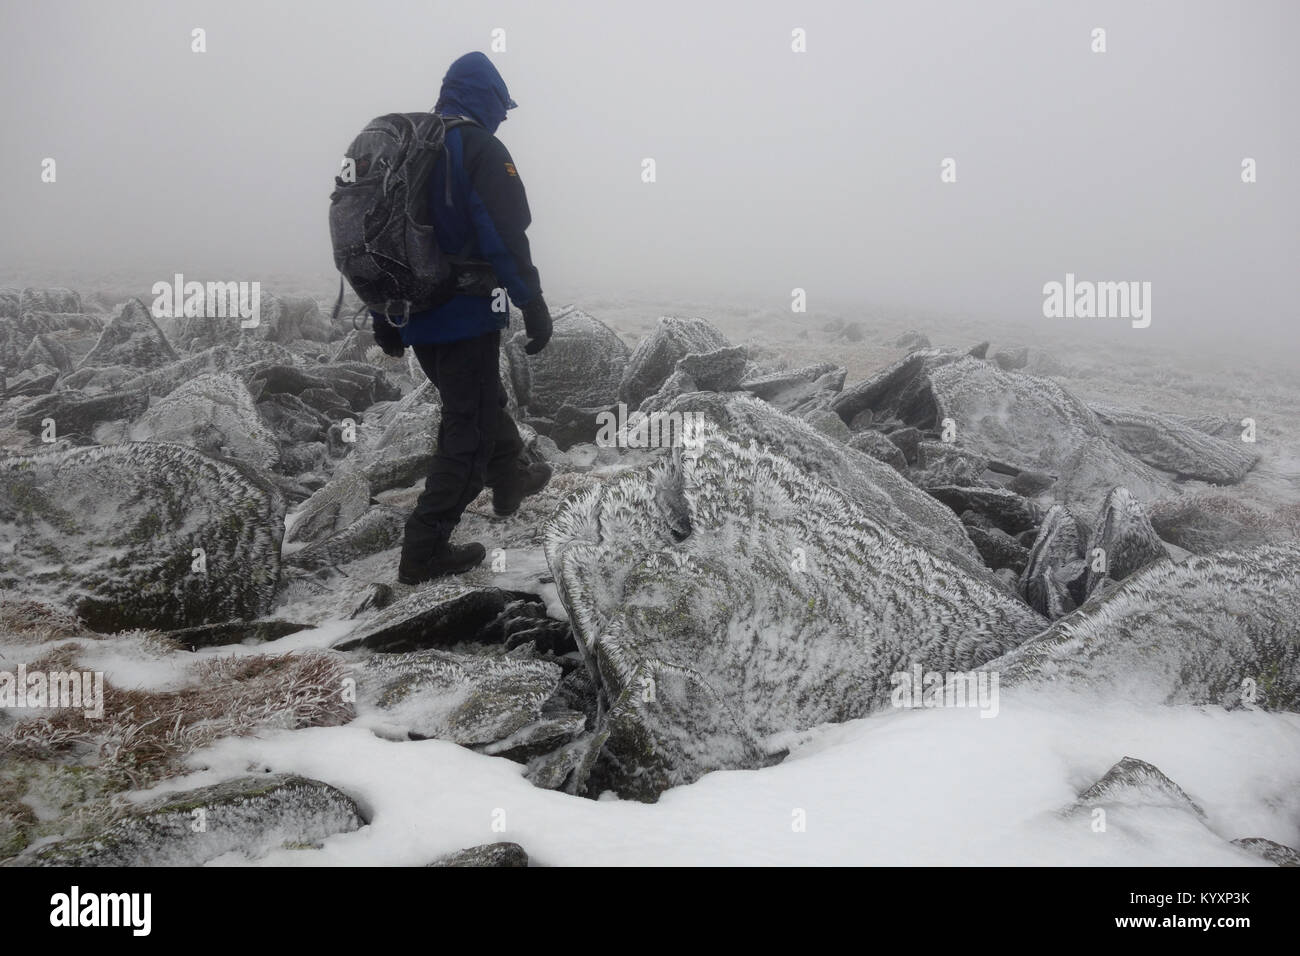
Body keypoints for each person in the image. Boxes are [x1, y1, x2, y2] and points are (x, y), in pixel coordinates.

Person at [371, 51, 553, 586]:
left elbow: (378, 241)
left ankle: (511, 474)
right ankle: (425, 549)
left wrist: (385, 316)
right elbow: (503, 233)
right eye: (503, 106)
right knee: (465, 431)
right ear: (488, 99)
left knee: (478, 398)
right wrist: (532, 302)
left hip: (418, 317)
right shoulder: (478, 147)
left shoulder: (409, 150)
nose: (505, 117)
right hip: (465, 313)